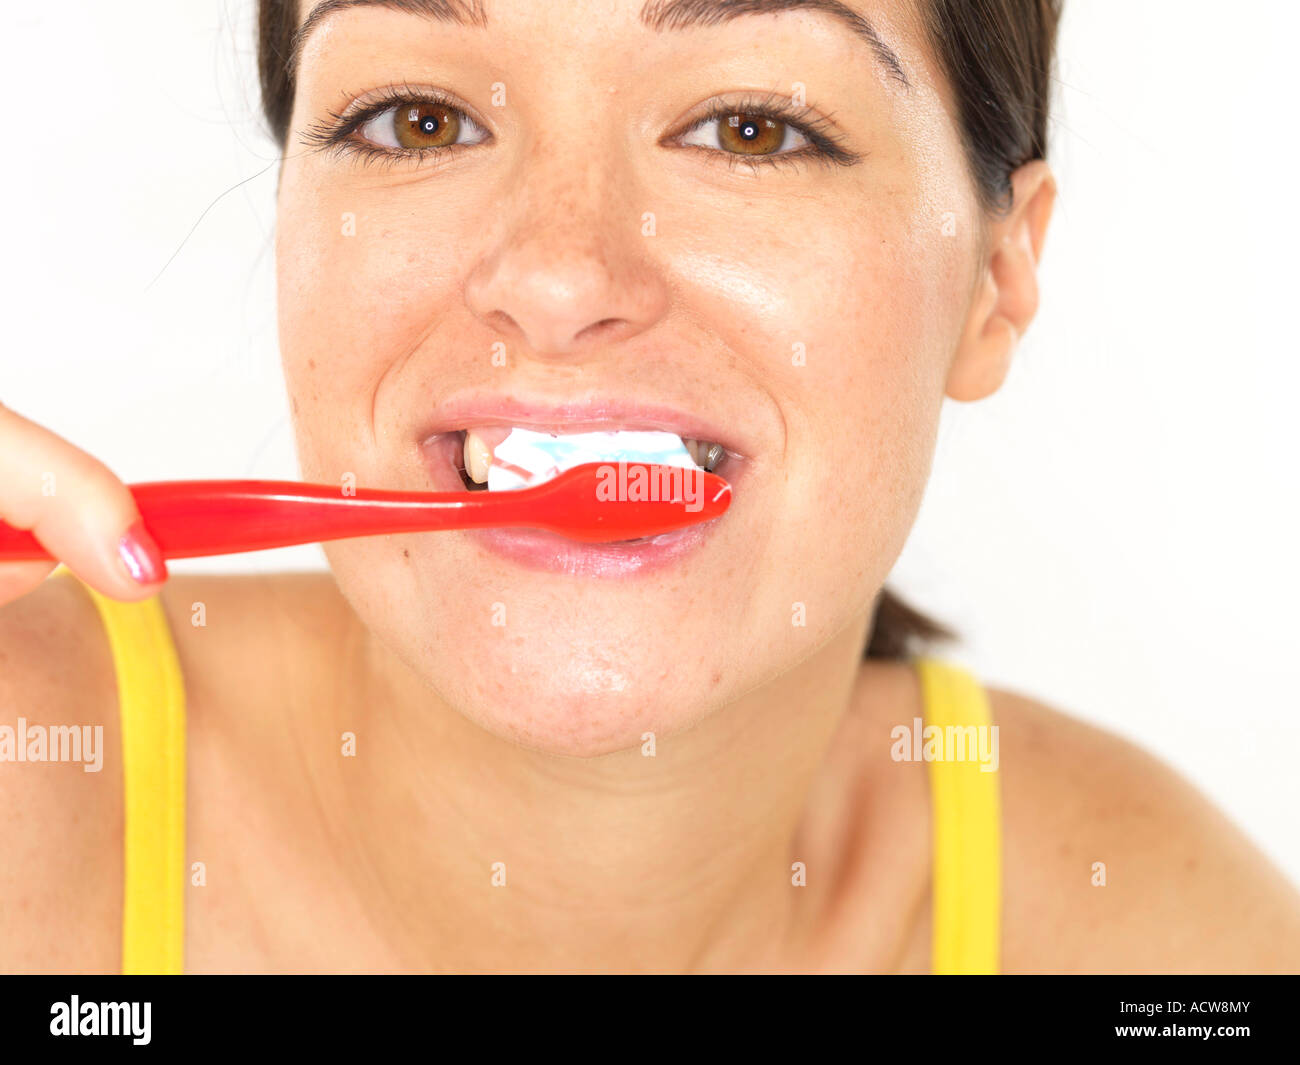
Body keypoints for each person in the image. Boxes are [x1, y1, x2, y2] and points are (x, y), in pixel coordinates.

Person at [2, 0, 1297, 974]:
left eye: (751, 127)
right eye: (421, 119)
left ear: (998, 279)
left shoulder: (1160, 942)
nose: (561, 279)